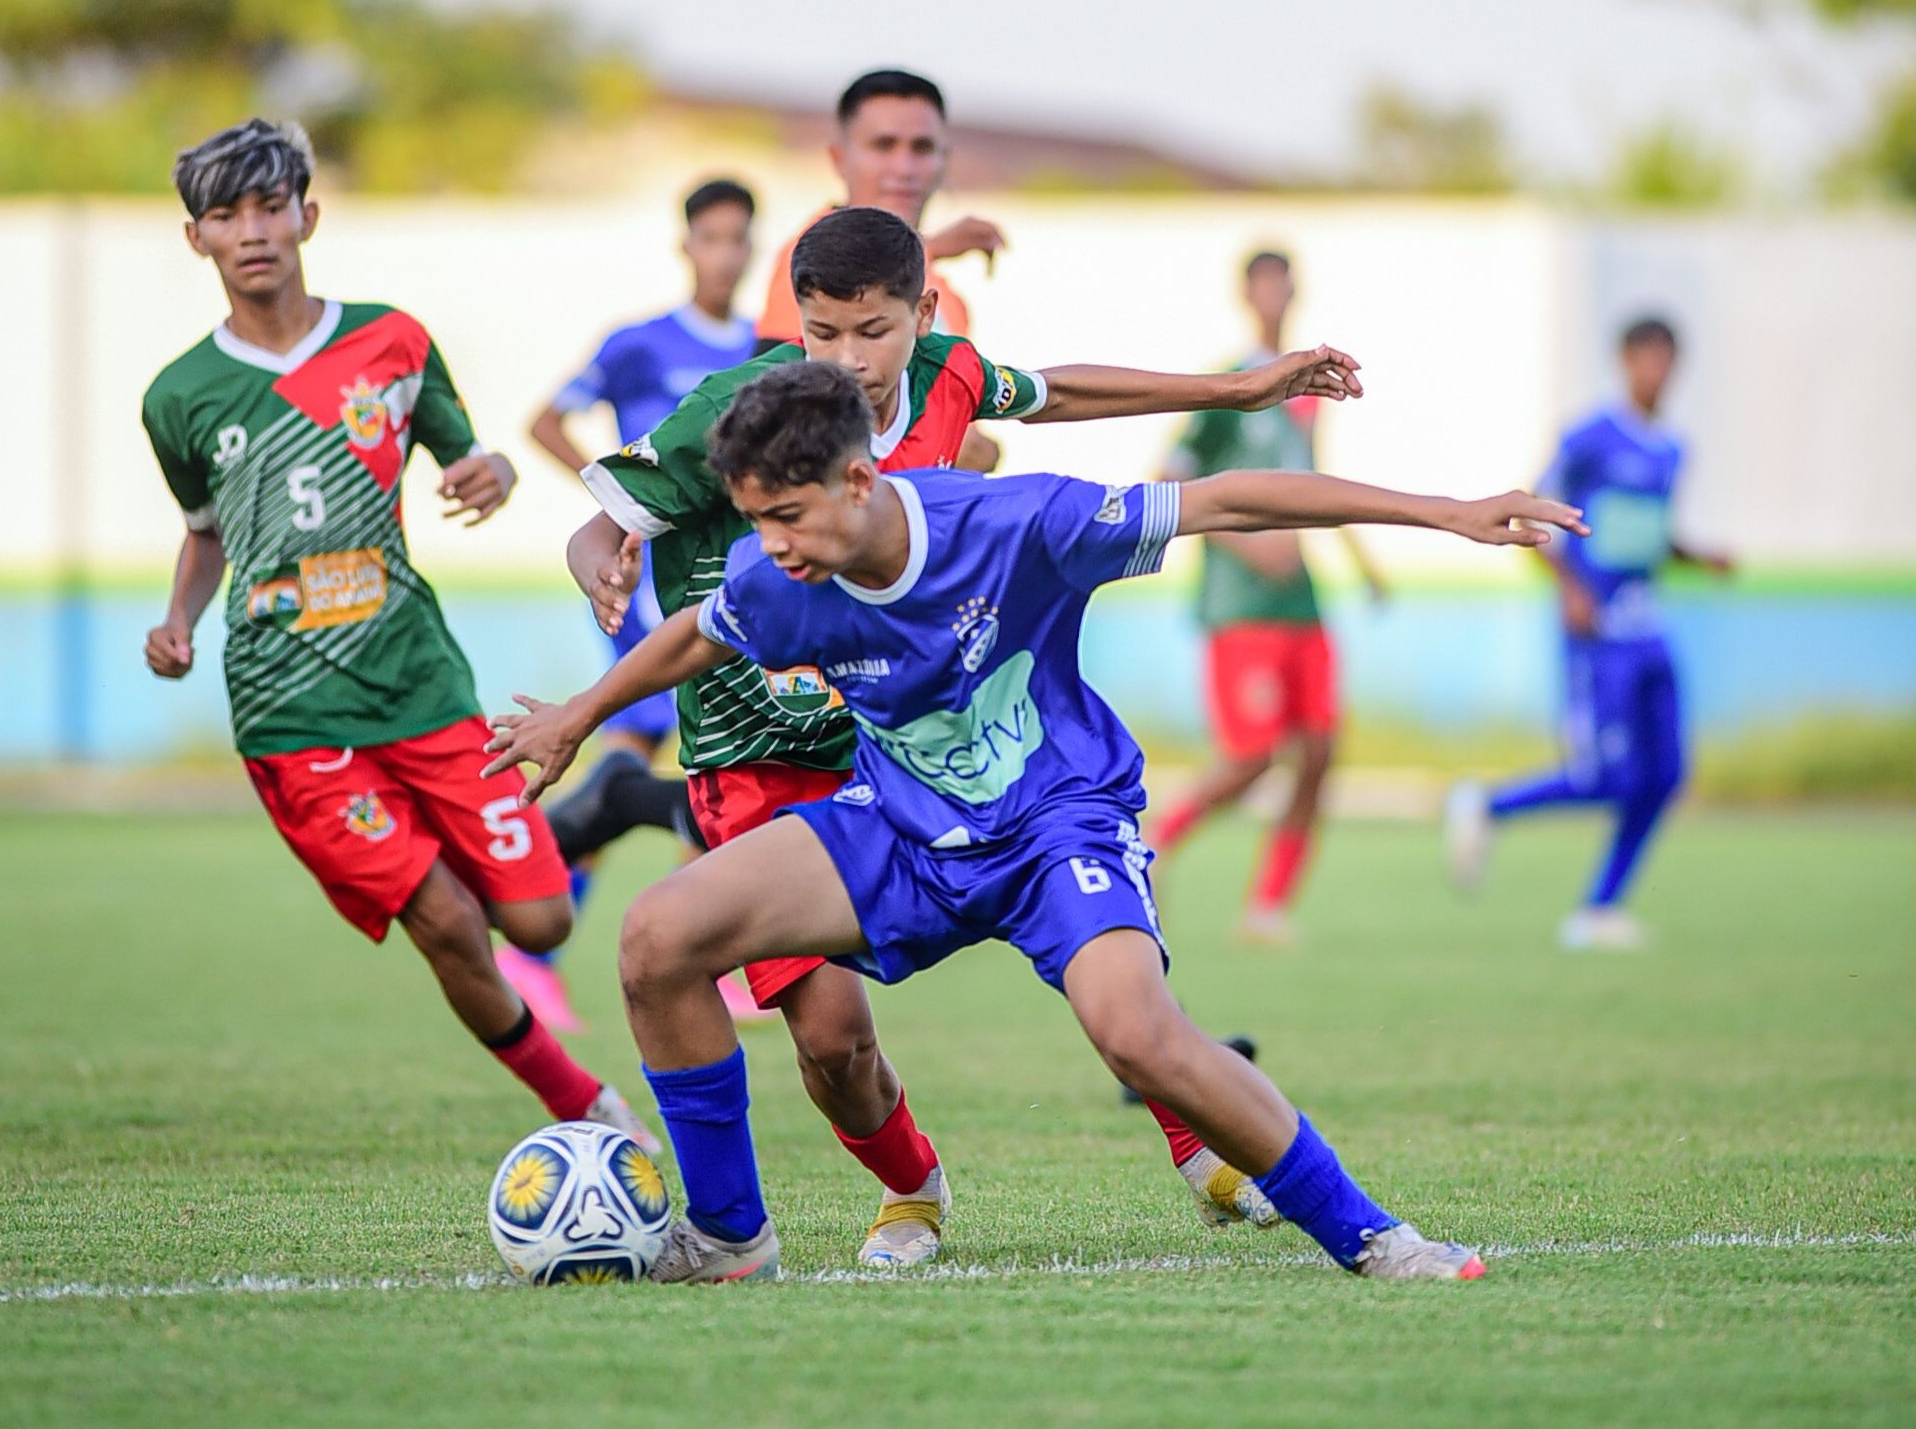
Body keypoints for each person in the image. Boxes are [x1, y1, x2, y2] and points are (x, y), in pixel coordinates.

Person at [486, 359, 1588, 1281]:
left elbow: (1229, 500)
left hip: (1057, 823)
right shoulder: (774, 572)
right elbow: (699, 629)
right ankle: (732, 1238)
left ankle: (1376, 1239)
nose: (769, 543)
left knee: (1137, 1034)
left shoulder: (1019, 522)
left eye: (786, 515)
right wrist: (580, 714)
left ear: (861, 478)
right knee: (657, 937)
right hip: (901, 827)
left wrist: (1443, 512)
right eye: (753, 517)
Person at [559, 205, 1367, 1267]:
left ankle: (1205, 1144)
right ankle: (909, 1186)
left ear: (920, 313)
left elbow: (1058, 392)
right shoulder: (748, 413)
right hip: (761, 758)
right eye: (824, 333)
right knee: (831, 1040)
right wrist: (601, 568)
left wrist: (1235, 388)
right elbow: (605, 524)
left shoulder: (948, 374)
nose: (850, 361)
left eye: (872, 331)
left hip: (896, 733)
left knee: (1087, 930)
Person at [138, 118, 655, 1152]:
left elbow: (476, 460)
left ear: (307, 215)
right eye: (226, 214)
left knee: (543, 919)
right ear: (197, 238)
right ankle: (586, 1107)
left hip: (420, 684)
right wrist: (177, 619)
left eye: (269, 206)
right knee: (449, 922)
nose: (252, 231)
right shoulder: (179, 397)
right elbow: (206, 533)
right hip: (293, 715)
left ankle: (582, 812)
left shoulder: (394, 343)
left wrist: (494, 474)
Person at [504, 178, 766, 1031]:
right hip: (650, 583)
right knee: (656, 751)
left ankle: (709, 950)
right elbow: (546, 421)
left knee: (677, 758)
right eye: (711, 237)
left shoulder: (766, 347)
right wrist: (614, 506)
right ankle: (534, 951)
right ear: (685, 245)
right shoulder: (640, 344)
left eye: (738, 238)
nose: (725, 254)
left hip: (732, 581)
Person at [1445, 317, 1730, 951]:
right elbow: (1531, 506)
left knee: (1665, 775)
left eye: (1667, 360)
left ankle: (1601, 908)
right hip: (1598, 631)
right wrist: (1570, 588)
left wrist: (1697, 556)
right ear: (1625, 362)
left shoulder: (1671, 449)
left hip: (1647, 627)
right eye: (1647, 358)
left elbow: (1647, 534)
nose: (1657, 372)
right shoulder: (1589, 438)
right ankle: (1487, 806)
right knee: (1602, 773)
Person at [1146, 250, 1389, 944]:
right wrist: (1248, 543)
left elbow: (1314, 484)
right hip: (1240, 605)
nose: (1275, 295)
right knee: (1252, 757)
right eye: (1264, 284)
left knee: (1319, 752)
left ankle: (1268, 906)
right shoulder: (1230, 387)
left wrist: (1360, 559)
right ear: (1246, 294)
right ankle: (1155, 840)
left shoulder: (1305, 395)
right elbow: (1168, 480)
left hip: (1300, 602)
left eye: (1284, 283)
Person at [755, 68, 1005, 472]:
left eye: (922, 148)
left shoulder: (941, 292)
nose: (904, 167)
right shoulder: (811, 259)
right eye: (883, 145)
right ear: (839, 158)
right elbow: (775, 422)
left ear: (945, 160)